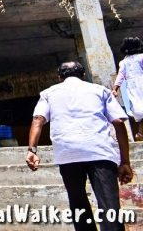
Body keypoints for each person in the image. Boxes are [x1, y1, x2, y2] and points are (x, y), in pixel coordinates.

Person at [27, 61, 133, 231]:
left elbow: (38, 120)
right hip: (100, 152)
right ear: (83, 75)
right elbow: (119, 122)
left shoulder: (48, 93)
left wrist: (32, 150)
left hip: (67, 154)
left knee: (77, 202)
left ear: (60, 77)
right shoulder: (101, 91)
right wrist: (125, 161)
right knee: (109, 204)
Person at [113, 37, 143, 141]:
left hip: (132, 87)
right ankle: (140, 134)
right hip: (136, 87)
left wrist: (115, 89)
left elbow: (120, 76)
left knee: (139, 110)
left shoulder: (123, 62)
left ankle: (140, 134)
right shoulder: (140, 57)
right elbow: (121, 76)